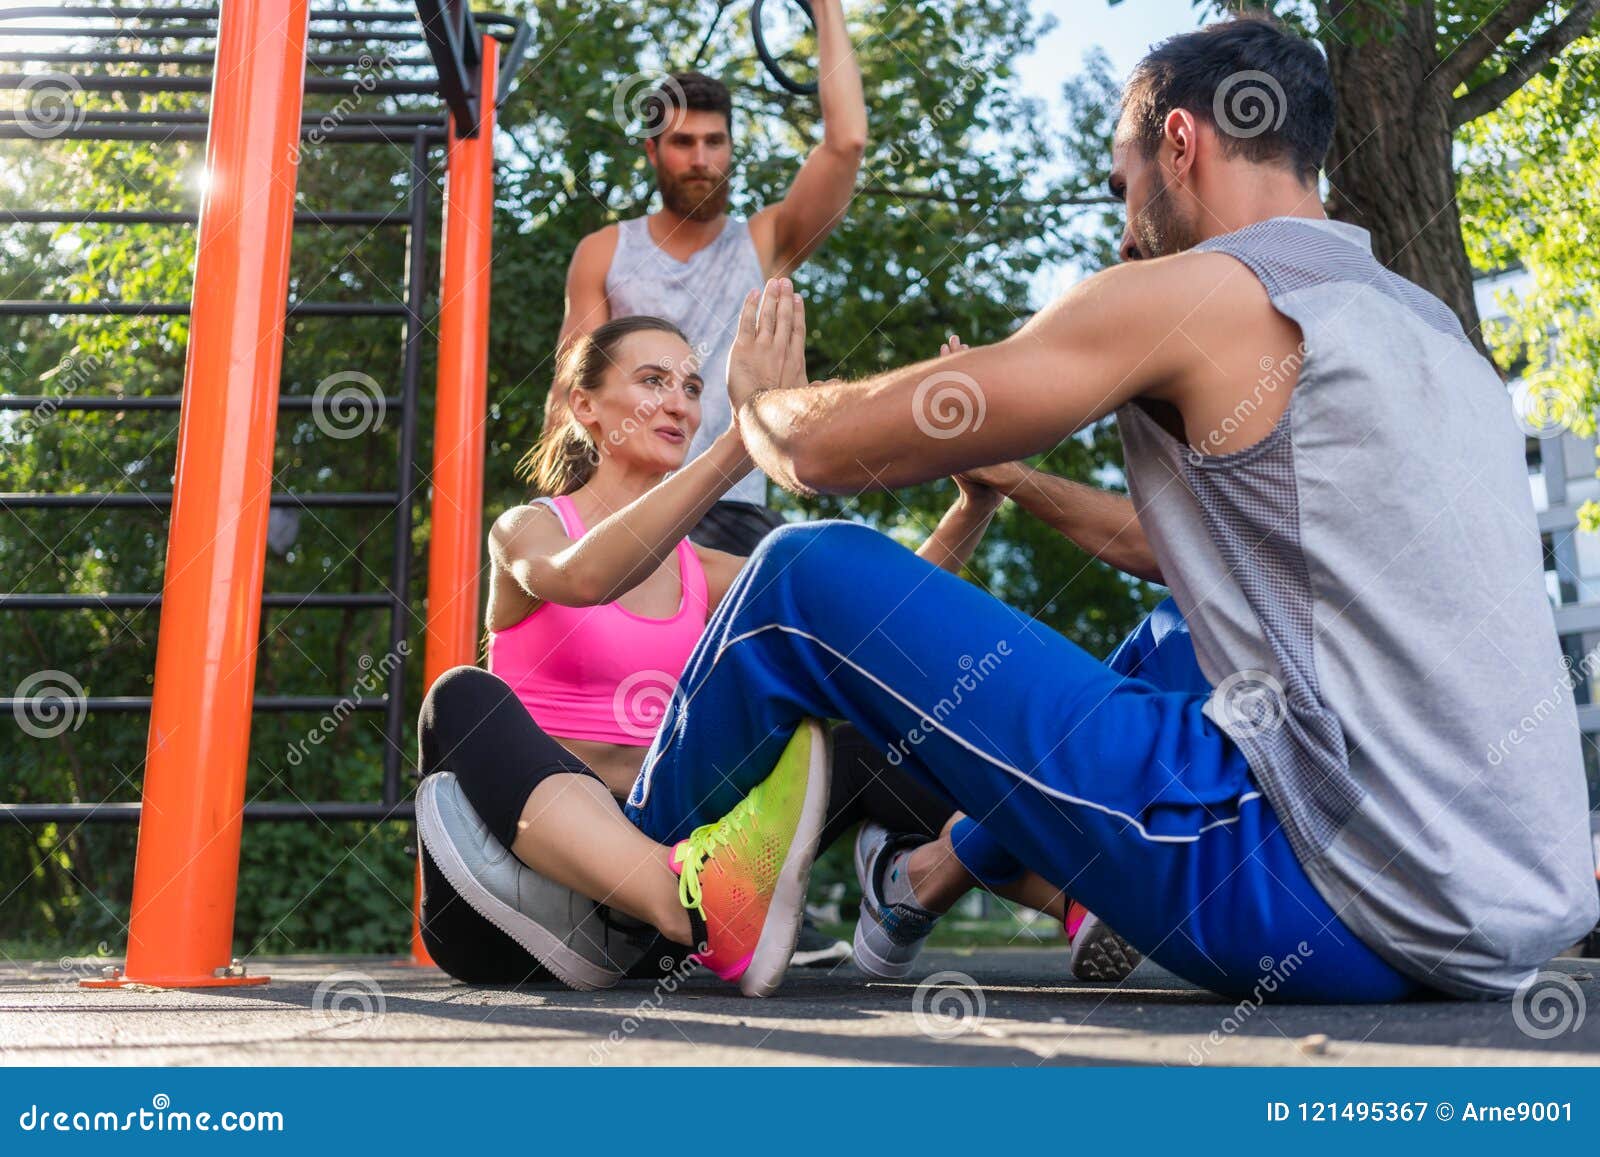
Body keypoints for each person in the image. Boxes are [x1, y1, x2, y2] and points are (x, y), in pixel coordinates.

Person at [612, 14, 1599, 1002]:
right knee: (1182, 633)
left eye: (1124, 186)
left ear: (1179, 144)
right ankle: (914, 878)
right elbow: (1188, 555)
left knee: (802, 575)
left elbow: (818, 453)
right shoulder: (1425, 330)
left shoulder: (1195, 292)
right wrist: (1016, 480)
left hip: (1326, 900)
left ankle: (605, 886)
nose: (1127, 228)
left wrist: (761, 403)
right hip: (1497, 910)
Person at [414, 316, 1082, 995]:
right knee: (460, 697)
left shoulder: (699, 571)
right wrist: (748, 434)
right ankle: (684, 901)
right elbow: (587, 578)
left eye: (693, 386)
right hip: (513, 909)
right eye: (653, 381)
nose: (679, 402)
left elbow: (875, 620)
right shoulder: (529, 528)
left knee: (864, 737)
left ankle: (1084, 897)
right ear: (585, 405)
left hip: (654, 918)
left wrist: (973, 504)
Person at [554, 6, 866, 556]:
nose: (701, 159)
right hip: (626, 499)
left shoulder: (767, 242)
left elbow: (847, 145)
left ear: (730, 148)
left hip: (732, 502)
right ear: (653, 150)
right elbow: (570, 389)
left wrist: (826, 8)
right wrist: (565, 507)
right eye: (682, 142)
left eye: (714, 141)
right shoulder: (604, 251)